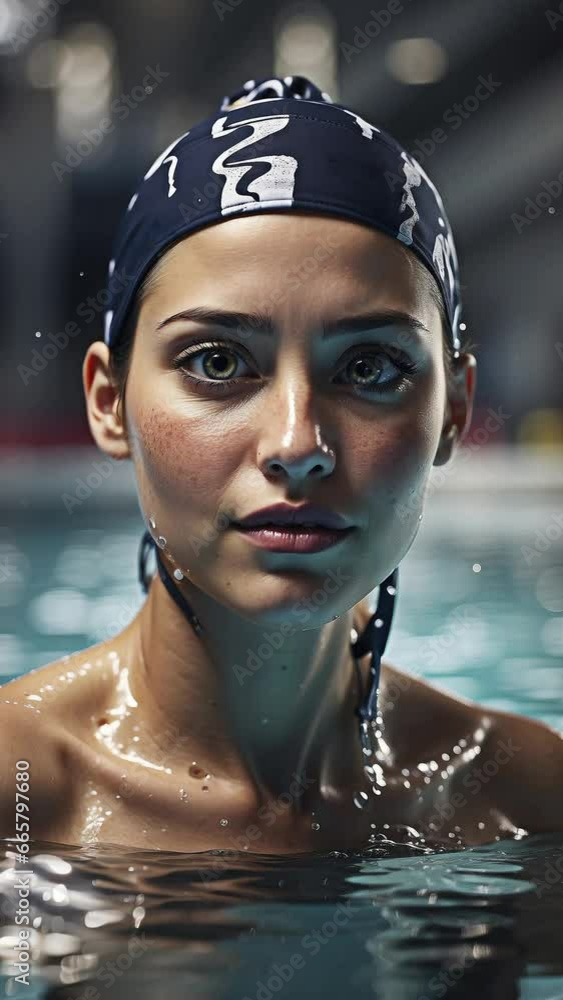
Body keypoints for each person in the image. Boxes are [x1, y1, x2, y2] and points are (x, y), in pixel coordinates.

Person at [1, 75, 562, 855]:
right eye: (219, 360)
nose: (297, 445)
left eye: (368, 368)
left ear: (453, 411)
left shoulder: (522, 795)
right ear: (108, 401)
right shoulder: (23, 794)